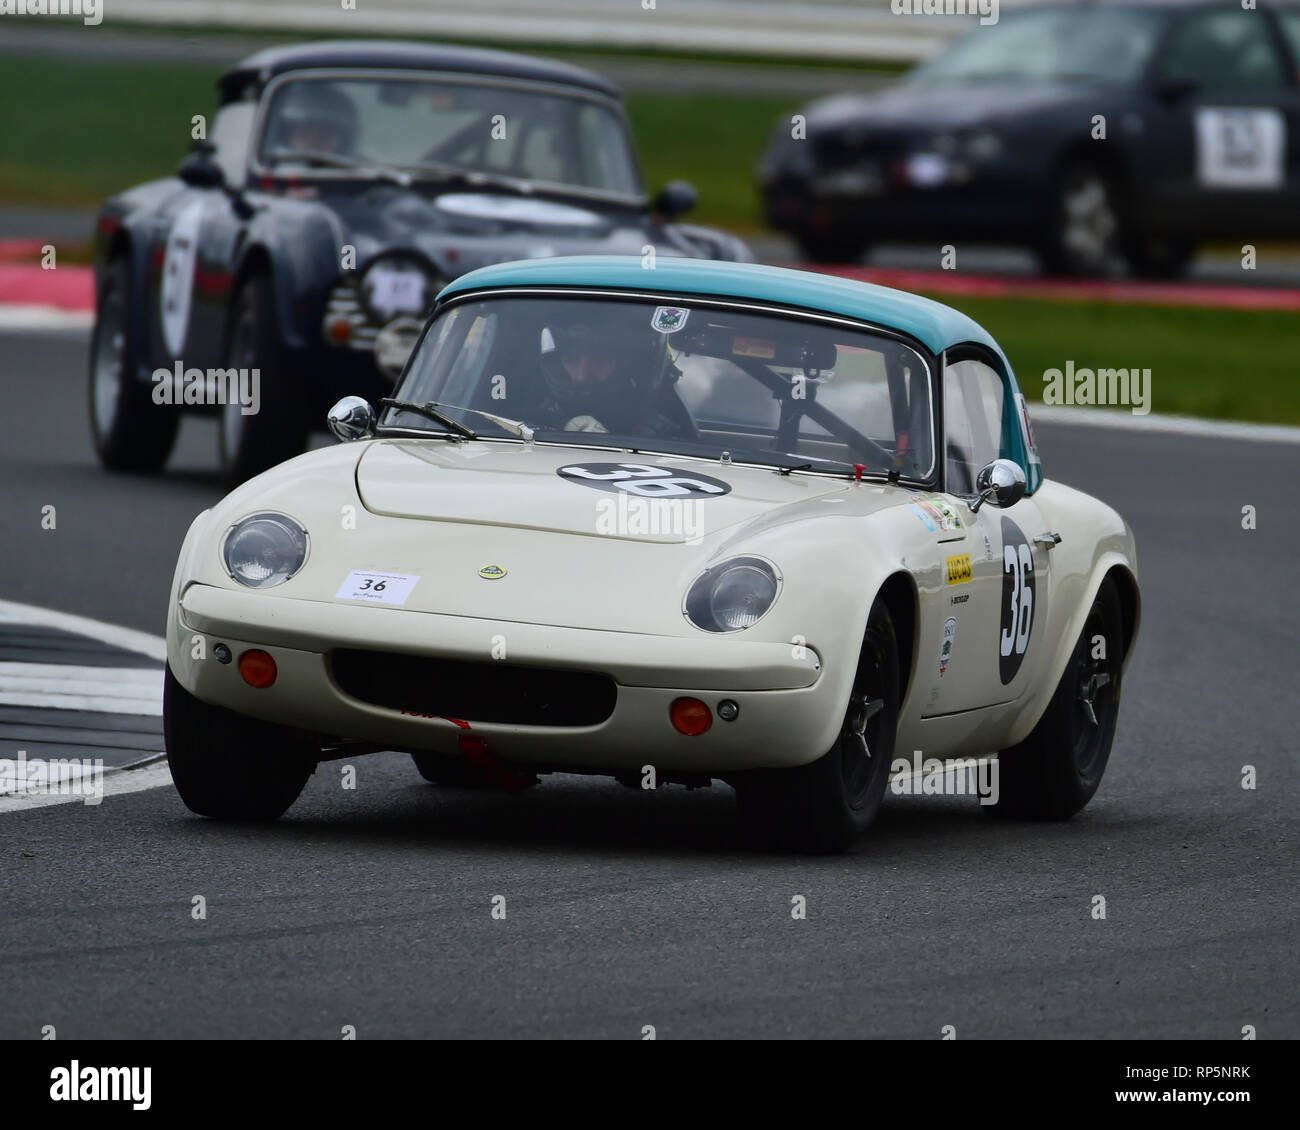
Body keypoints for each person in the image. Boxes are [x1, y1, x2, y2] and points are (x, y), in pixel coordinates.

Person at [534, 309, 696, 439]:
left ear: (629, 366)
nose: (581, 376)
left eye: (600, 361)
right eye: (571, 359)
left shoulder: (664, 436)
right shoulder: (523, 421)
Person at [266, 81, 360, 159]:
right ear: (288, 136)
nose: (313, 142)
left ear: (341, 142)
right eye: (305, 133)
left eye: (324, 135)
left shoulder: (361, 174)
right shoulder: (272, 172)